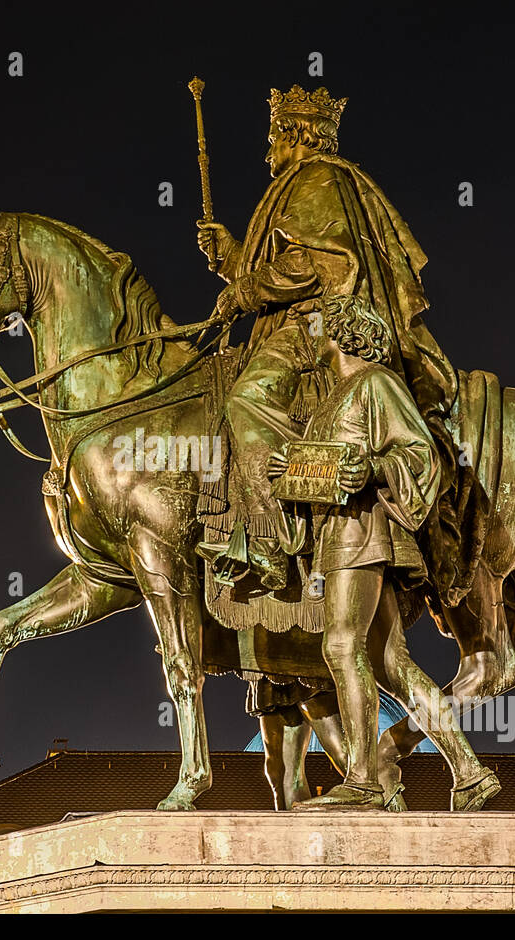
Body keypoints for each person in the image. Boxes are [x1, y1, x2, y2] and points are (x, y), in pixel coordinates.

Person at [196, 85, 487, 606]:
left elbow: (314, 265)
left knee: (245, 400)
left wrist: (242, 290)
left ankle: (275, 536)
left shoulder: (318, 178)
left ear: (296, 134)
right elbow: (282, 260)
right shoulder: (301, 184)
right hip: (296, 320)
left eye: (273, 140)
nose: (268, 153)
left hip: (315, 327)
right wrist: (232, 258)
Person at [268, 296, 498, 809]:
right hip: (337, 533)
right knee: (391, 661)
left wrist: (373, 469)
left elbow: (418, 454)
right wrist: (288, 475)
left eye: (315, 321)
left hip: (360, 534)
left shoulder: (375, 383)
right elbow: (323, 474)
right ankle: (469, 769)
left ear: (343, 330)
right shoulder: (335, 398)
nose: (308, 330)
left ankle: (363, 779)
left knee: (340, 649)